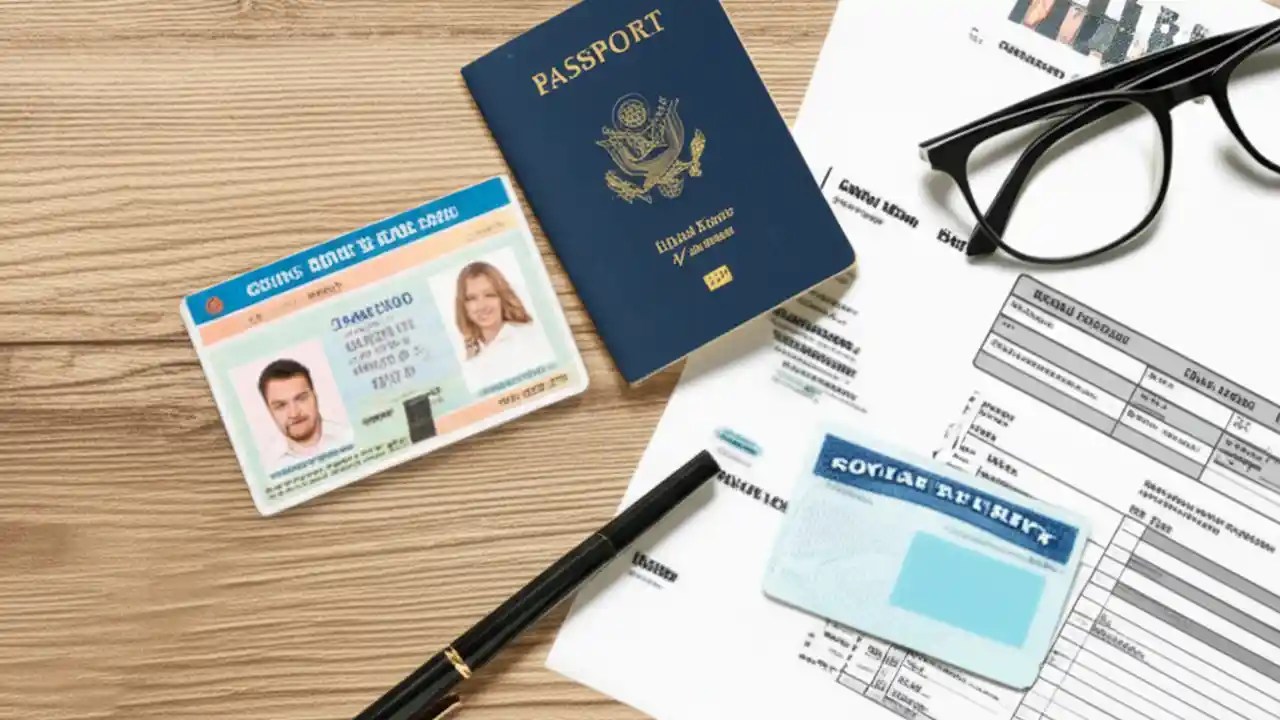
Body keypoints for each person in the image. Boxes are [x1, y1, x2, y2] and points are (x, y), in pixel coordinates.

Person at [453, 261, 552, 387]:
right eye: (472, 298)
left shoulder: (529, 338)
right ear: (463, 305)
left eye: (489, 295)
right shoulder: (469, 353)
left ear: (502, 298)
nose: (482, 306)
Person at [257, 358, 353, 471]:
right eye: (281, 406)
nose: (294, 413)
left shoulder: (351, 437)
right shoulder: (266, 466)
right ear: (269, 411)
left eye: (301, 398)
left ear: (315, 397)